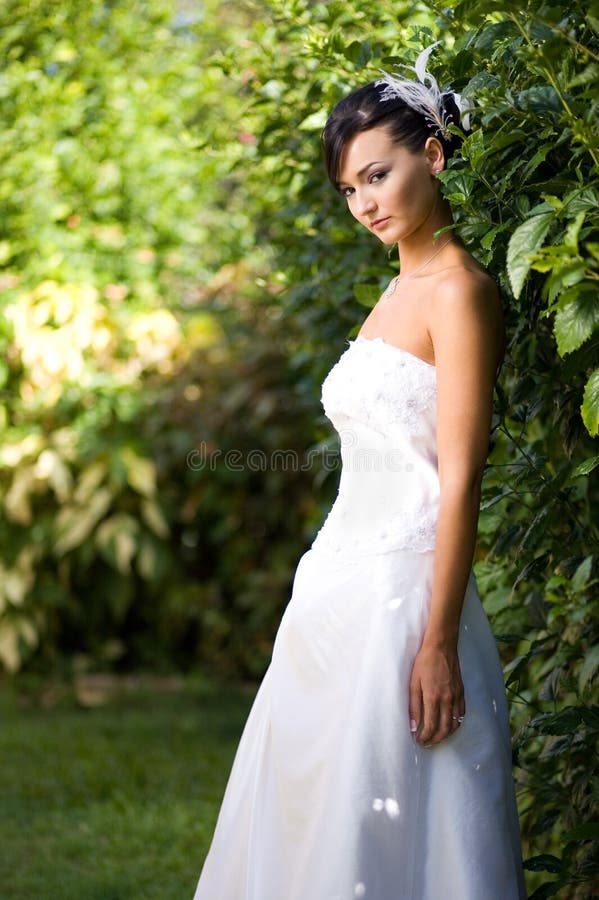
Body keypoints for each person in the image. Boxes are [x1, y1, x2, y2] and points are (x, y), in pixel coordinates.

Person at [193, 44, 526, 900]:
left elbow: (458, 479)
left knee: (396, 827)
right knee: (317, 823)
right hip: (335, 592)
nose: (364, 203)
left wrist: (438, 642)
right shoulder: (392, 292)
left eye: (377, 176)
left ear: (435, 155)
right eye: (349, 189)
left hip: (405, 606)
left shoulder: (460, 291)